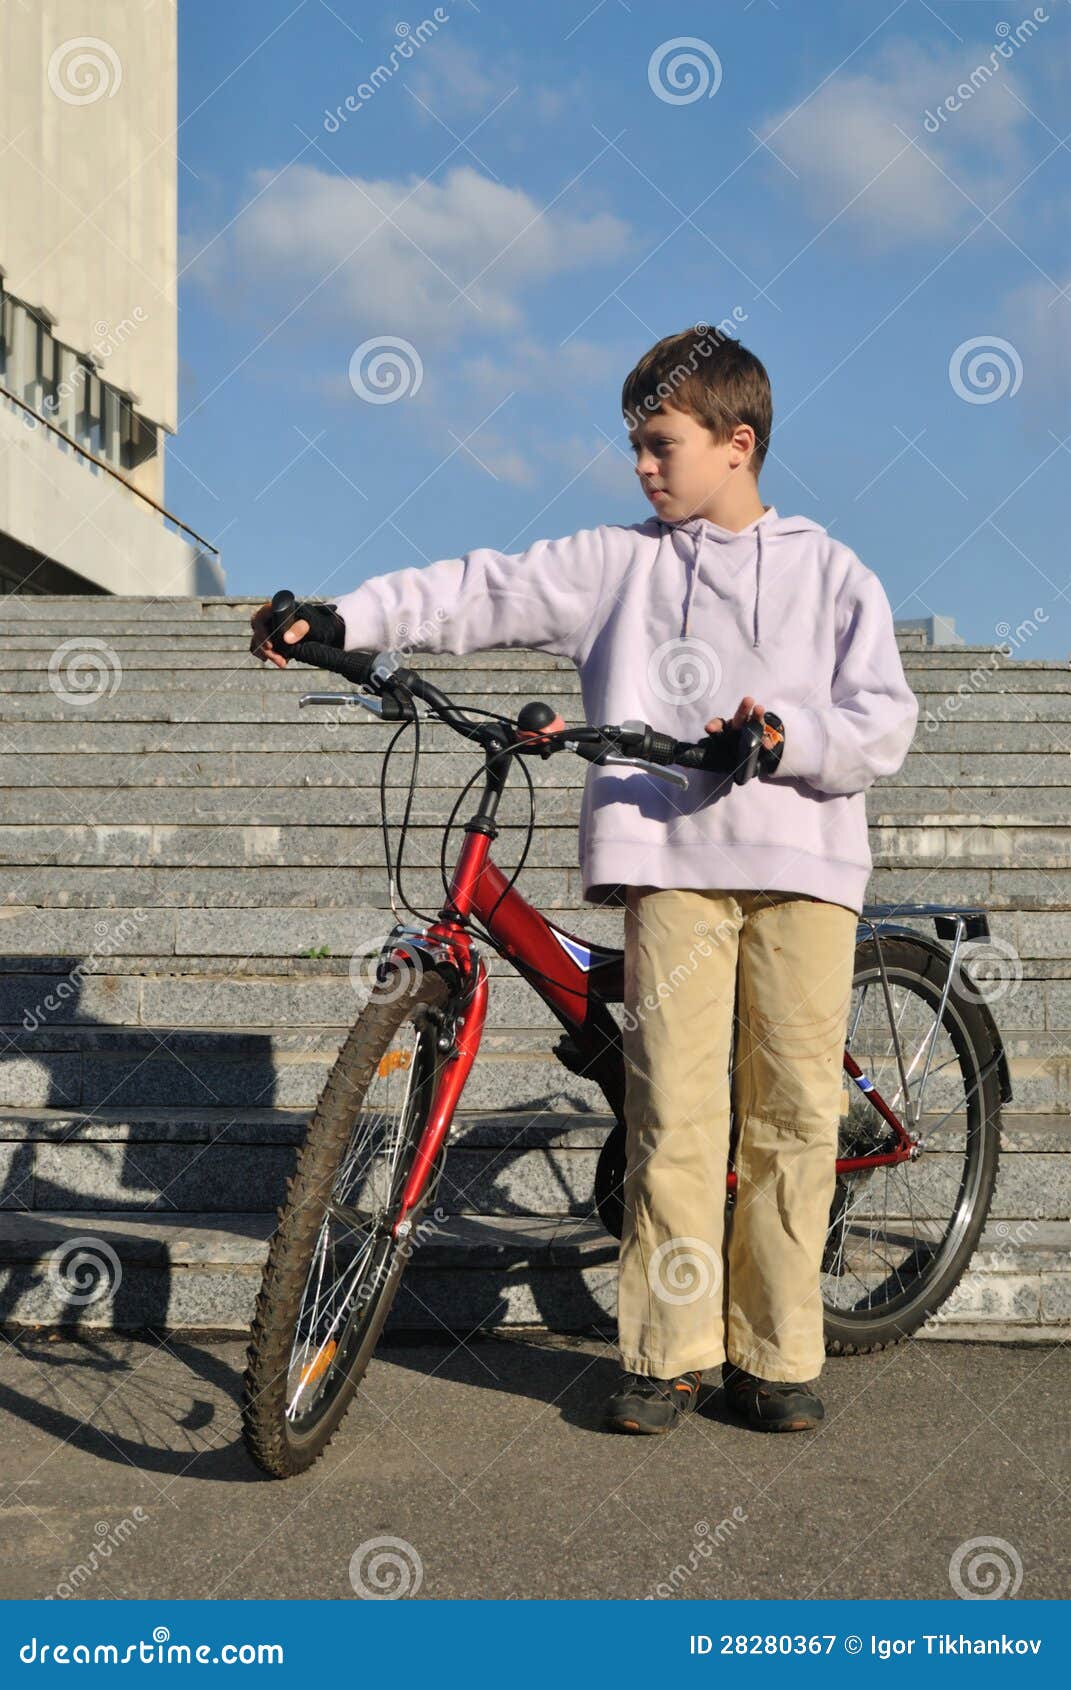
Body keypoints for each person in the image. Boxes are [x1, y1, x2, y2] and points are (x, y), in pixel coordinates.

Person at [250, 326, 919, 1438]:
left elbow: (881, 720)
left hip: (804, 867)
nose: (643, 466)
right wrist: (348, 617)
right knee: (674, 1110)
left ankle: (778, 1355)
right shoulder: (620, 564)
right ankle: (666, 1354)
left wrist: (784, 734)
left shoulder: (832, 571)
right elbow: (481, 590)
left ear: (738, 442)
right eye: (636, 447)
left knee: (795, 1113)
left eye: (662, 444)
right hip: (674, 867)